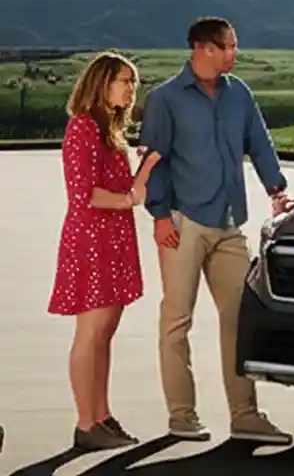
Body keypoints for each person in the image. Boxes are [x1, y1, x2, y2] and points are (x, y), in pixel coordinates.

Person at [139, 16, 294, 445]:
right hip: (182, 221)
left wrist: (277, 190)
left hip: (230, 222)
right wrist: (158, 216)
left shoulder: (239, 94)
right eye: (228, 46)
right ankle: (181, 416)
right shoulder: (166, 99)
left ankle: (245, 416)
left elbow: (260, 144)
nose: (234, 53)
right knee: (177, 320)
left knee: (241, 317)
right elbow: (154, 159)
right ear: (202, 47)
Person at [49, 51, 163, 451]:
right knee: (91, 333)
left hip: (113, 240)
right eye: (124, 81)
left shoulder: (110, 131)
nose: (131, 90)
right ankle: (86, 423)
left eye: (133, 82)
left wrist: (144, 171)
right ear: (101, 83)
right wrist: (130, 197)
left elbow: (124, 189)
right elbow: (84, 195)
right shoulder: (81, 128)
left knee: (105, 334)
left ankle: (102, 416)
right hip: (92, 241)